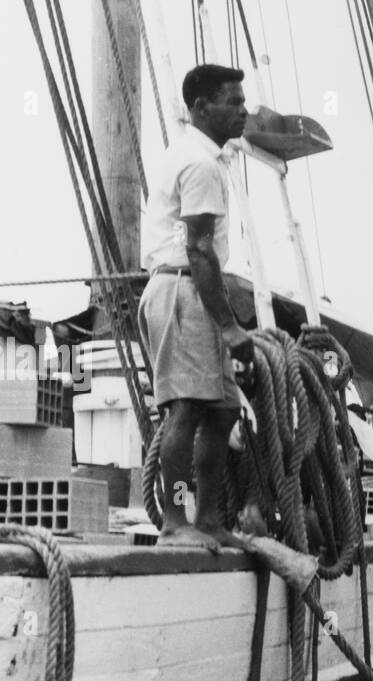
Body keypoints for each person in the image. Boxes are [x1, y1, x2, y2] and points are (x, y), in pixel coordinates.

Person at [138, 63, 254, 551]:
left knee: (222, 409)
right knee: (184, 410)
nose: (243, 111)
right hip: (184, 290)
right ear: (202, 108)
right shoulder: (200, 164)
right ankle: (174, 519)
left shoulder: (204, 158)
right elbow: (200, 249)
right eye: (233, 102)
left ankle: (207, 519)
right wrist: (229, 326)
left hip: (195, 289)